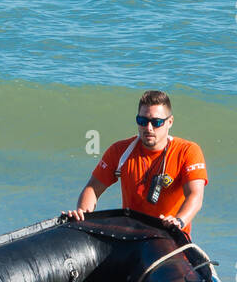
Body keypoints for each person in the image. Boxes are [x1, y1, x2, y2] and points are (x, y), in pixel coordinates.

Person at [65, 90, 207, 234]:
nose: (148, 128)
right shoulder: (120, 150)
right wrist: (83, 212)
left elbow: (195, 195)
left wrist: (179, 220)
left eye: (156, 122)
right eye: (142, 121)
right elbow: (93, 188)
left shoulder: (187, 151)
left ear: (169, 122)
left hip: (169, 235)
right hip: (131, 235)